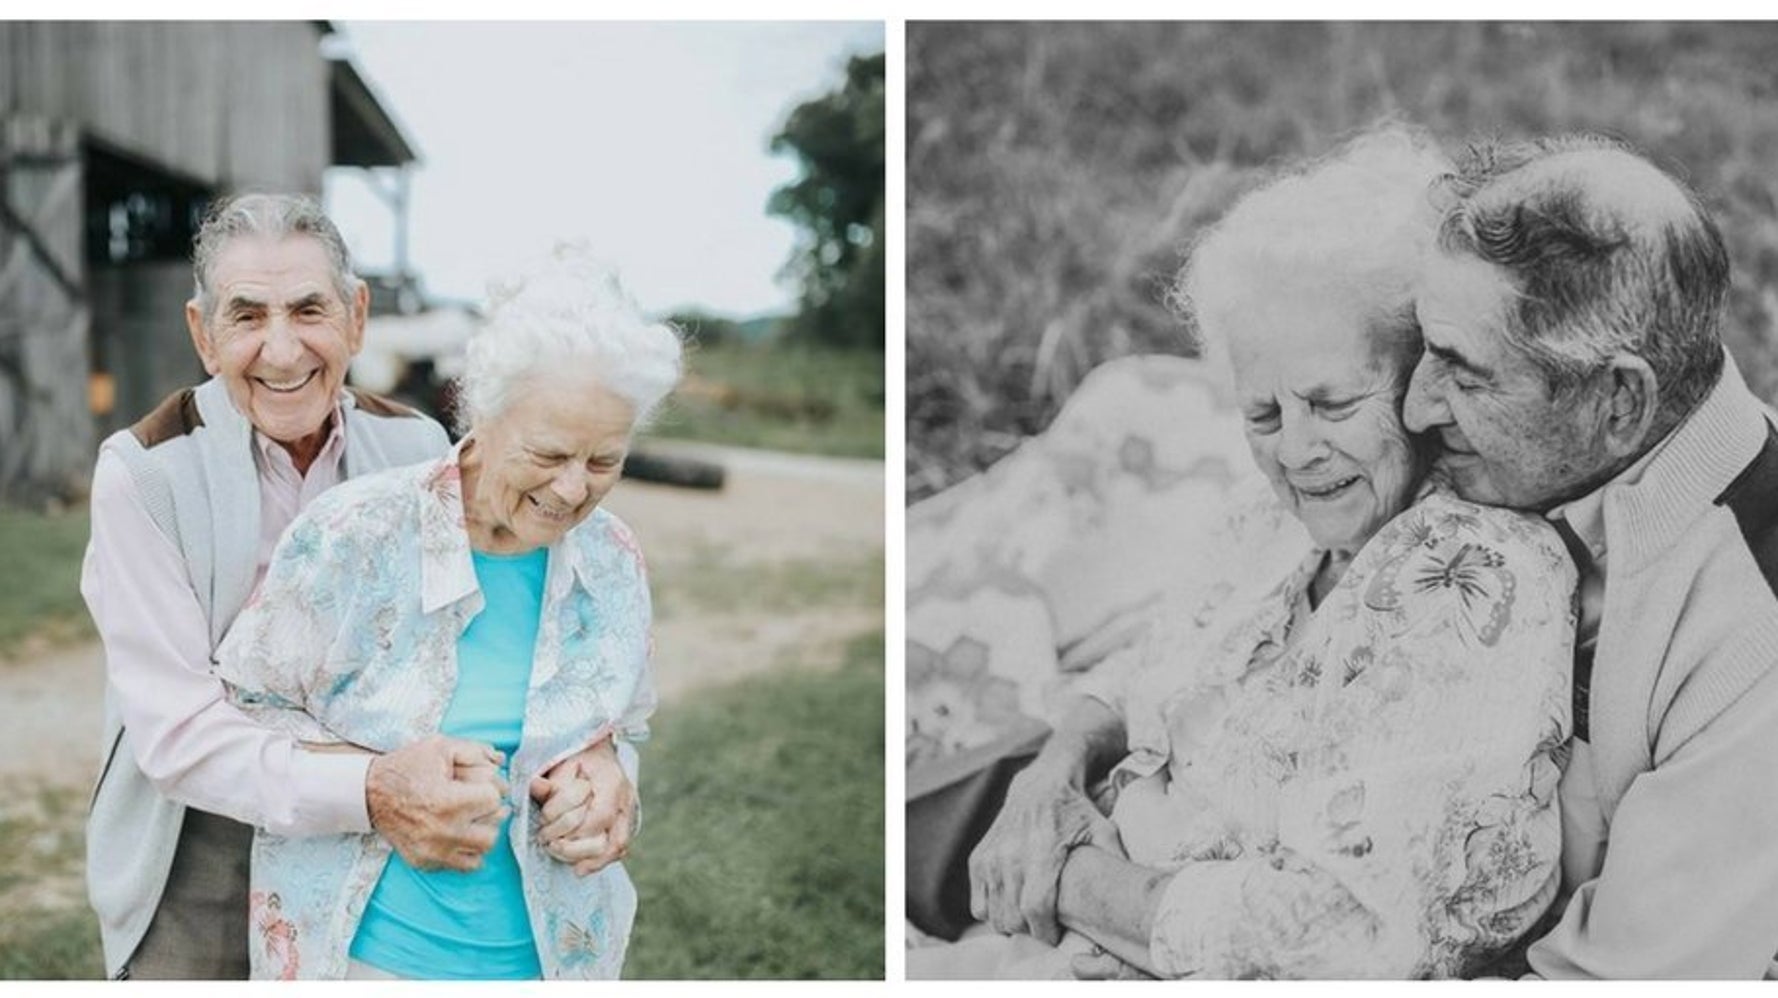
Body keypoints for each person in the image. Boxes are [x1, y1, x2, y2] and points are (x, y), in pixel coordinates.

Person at [915, 126, 1577, 979]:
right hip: (1077, 894)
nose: (1295, 451)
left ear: (1420, 380)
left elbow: (1338, 932)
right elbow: (1150, 663)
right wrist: (1051, 772)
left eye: (1331, 404)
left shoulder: (1472, 578)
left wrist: (1074, 880)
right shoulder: (1267, 520)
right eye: (1263, 415)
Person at [80, 195, 637, 980]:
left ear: (357, 317)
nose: (282, 351)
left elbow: (513, 636)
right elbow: (176, 732)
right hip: (198, 845)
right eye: (247, 316)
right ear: (204, 335)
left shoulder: (416, 445)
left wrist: (599, 751)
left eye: (310, 309)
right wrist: (374, 789)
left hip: (380, 864)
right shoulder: (145, 474)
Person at [212, 245, 681, 980]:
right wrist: (381, 780)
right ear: (483, 416)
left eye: (603, 462)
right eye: (548, 453)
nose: (569, 491)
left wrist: (610, 769)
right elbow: (244, 713)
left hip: (554, 961)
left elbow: (625, 723)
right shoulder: (353, 534)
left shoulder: (613, 558)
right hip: (364, 962)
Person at [1402, 134, 1778, 978]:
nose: (1418, 407)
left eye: (1463, 373)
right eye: (1423, 347)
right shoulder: (1527, 454)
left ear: (1618, 400)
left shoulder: (1754, 644)